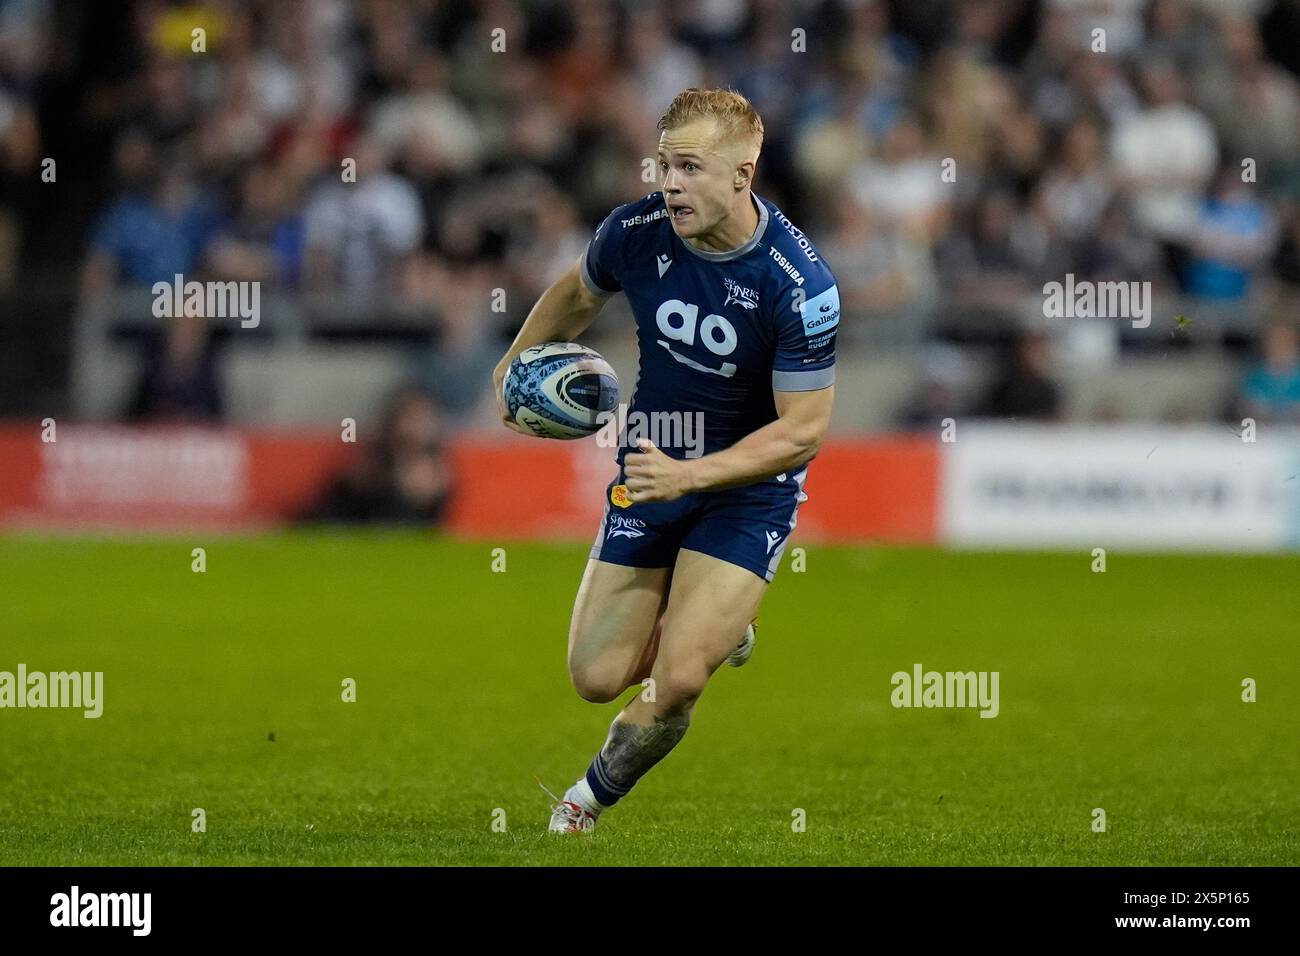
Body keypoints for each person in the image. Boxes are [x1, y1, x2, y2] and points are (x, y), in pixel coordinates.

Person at [491, 88, 839, 833]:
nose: (669, 183)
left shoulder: (799, 285)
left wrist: (693, 475)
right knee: (594, 677)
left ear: (743, 174)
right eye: (663, 165)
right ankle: (719, 623)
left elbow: (803, 431)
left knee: (679, 677)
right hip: (653, 467)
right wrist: (513, 366)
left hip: (749, 489)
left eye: (689, 168)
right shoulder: (636, 232)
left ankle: (582, 804)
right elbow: (578, 293)